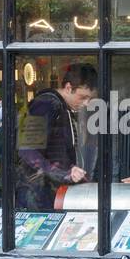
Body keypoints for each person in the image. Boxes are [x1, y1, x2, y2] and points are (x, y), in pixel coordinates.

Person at [16, 63, 98, 210]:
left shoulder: (59, 107)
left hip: (47, 193)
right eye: (83, 97)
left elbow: (54, 152)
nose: (86, 103)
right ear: (68, 88)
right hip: (38, 196)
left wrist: (70, 171)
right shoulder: (47, 104)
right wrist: (64, 173)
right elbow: (28, 151)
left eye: (89, 99)